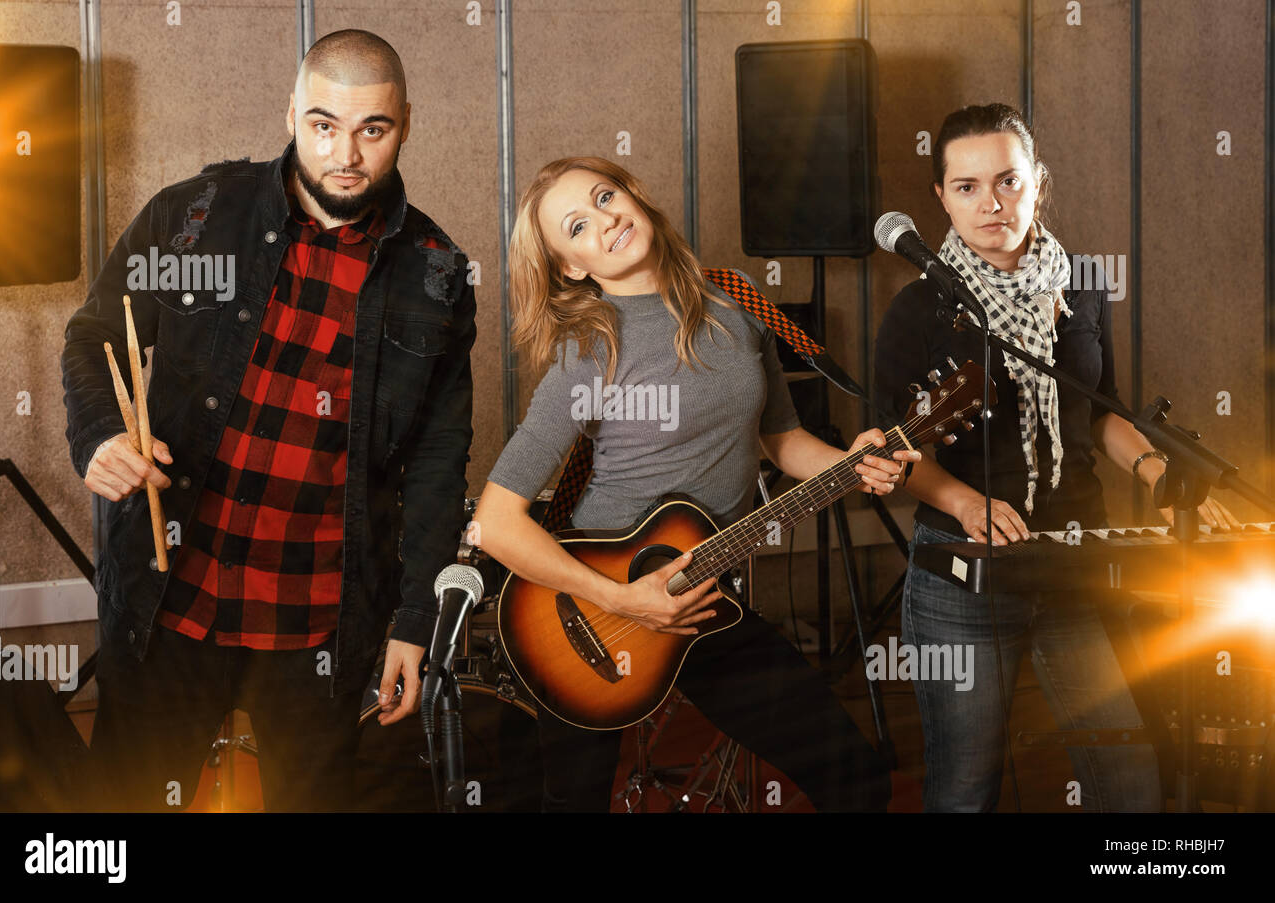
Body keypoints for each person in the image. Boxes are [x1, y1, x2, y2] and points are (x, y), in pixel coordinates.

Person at [60, 29, 475, 811]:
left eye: (371, 130)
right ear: (290, 112)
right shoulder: (194, 213)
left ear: (406, 124)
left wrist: (416, 618)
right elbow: (94, 337)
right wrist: (101, 436)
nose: (345, 153)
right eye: (323, 124)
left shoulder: (437, 276)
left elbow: (436, 461)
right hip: (172, 595)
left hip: (319, 615)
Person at [472, 155, 920, 812]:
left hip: (703, 592)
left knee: (855, 778)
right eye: (578, 224)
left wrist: (852, 463)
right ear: (571, 265)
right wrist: (623, 600)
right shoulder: (587, 349)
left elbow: (782, 438)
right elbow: (496, 520)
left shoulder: (736, 296)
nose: (605, 220)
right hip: (584, 615)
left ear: (632, 191)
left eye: (605, 195)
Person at [874, 102, 1239, 812]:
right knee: (964, 790)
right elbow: (893, 452)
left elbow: (1099, 408)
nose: (991, 203)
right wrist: (961, 500)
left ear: (1039, 181)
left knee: (1132, 784)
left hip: (1074, 558)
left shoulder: (1080, 288)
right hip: (963, 575)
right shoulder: (918, 311)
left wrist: (1161, 475)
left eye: (1008, 181)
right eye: (968, 186)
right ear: (940, 198)